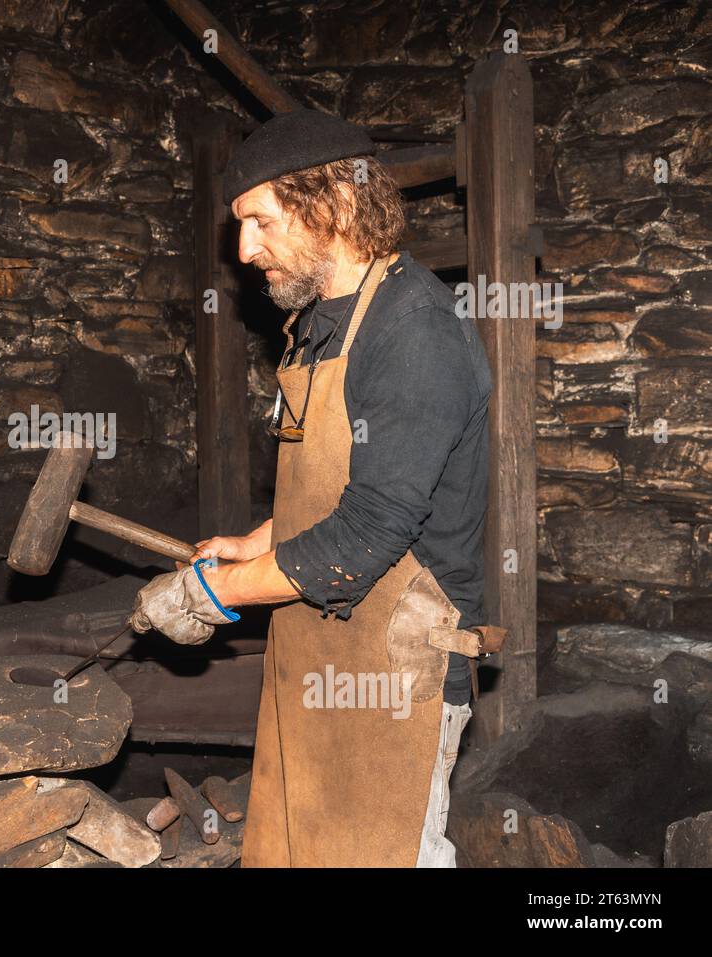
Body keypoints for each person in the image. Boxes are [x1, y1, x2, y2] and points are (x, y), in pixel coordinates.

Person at [130, 108, 503, 867]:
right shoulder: (318, 327)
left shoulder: (413, 331)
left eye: (260, 221)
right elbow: (337, 489)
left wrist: (218, 590)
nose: (243, 249)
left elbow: (364, 535)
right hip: (316, 658)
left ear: (331, 203)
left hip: (398, 681)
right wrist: (253, 540)